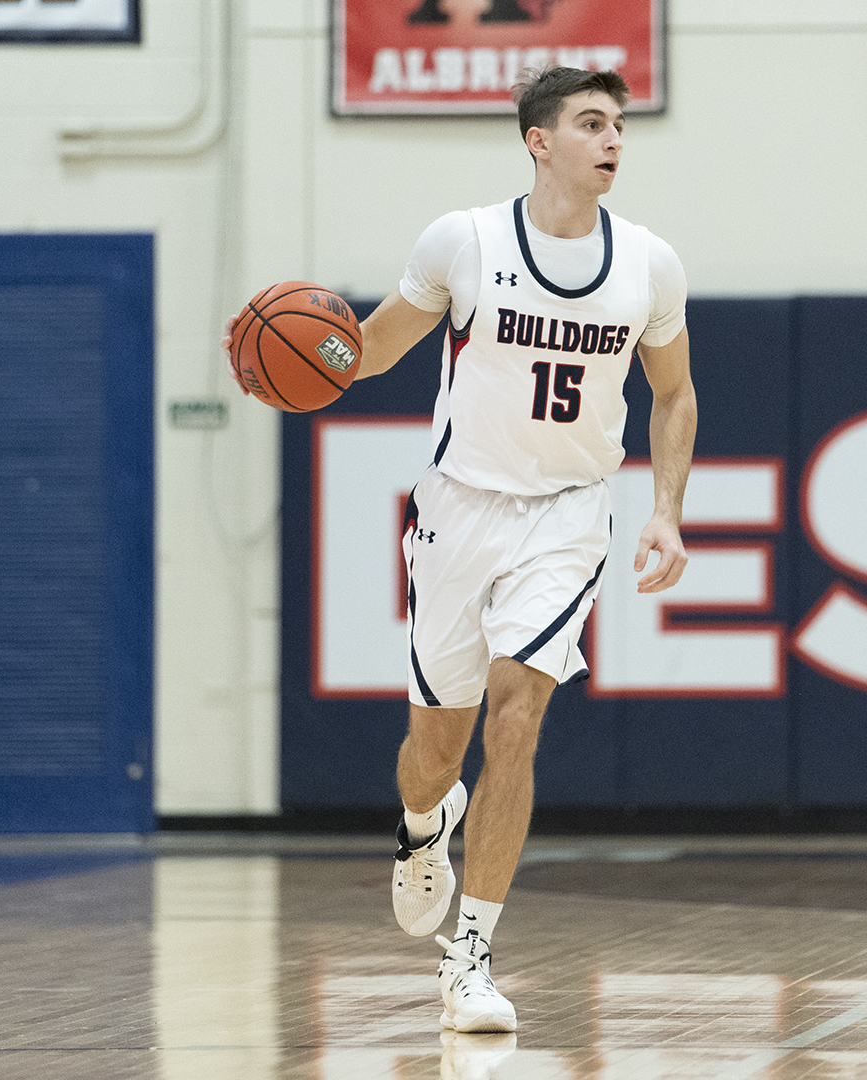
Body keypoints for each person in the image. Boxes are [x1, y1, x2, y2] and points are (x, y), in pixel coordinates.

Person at [232, 67, 696, 1032]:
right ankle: (419, 829)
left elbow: (674, 394)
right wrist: (293, 360)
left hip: (567, 514)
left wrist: (665, 507)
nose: (613, 140)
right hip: (459, 509)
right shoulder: (467, 242)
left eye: (619, 125)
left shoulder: (650, 262)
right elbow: (373, 347)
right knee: (431, 754)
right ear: (539, 141)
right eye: (592, 124)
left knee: (517, 718)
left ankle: (472, 958)